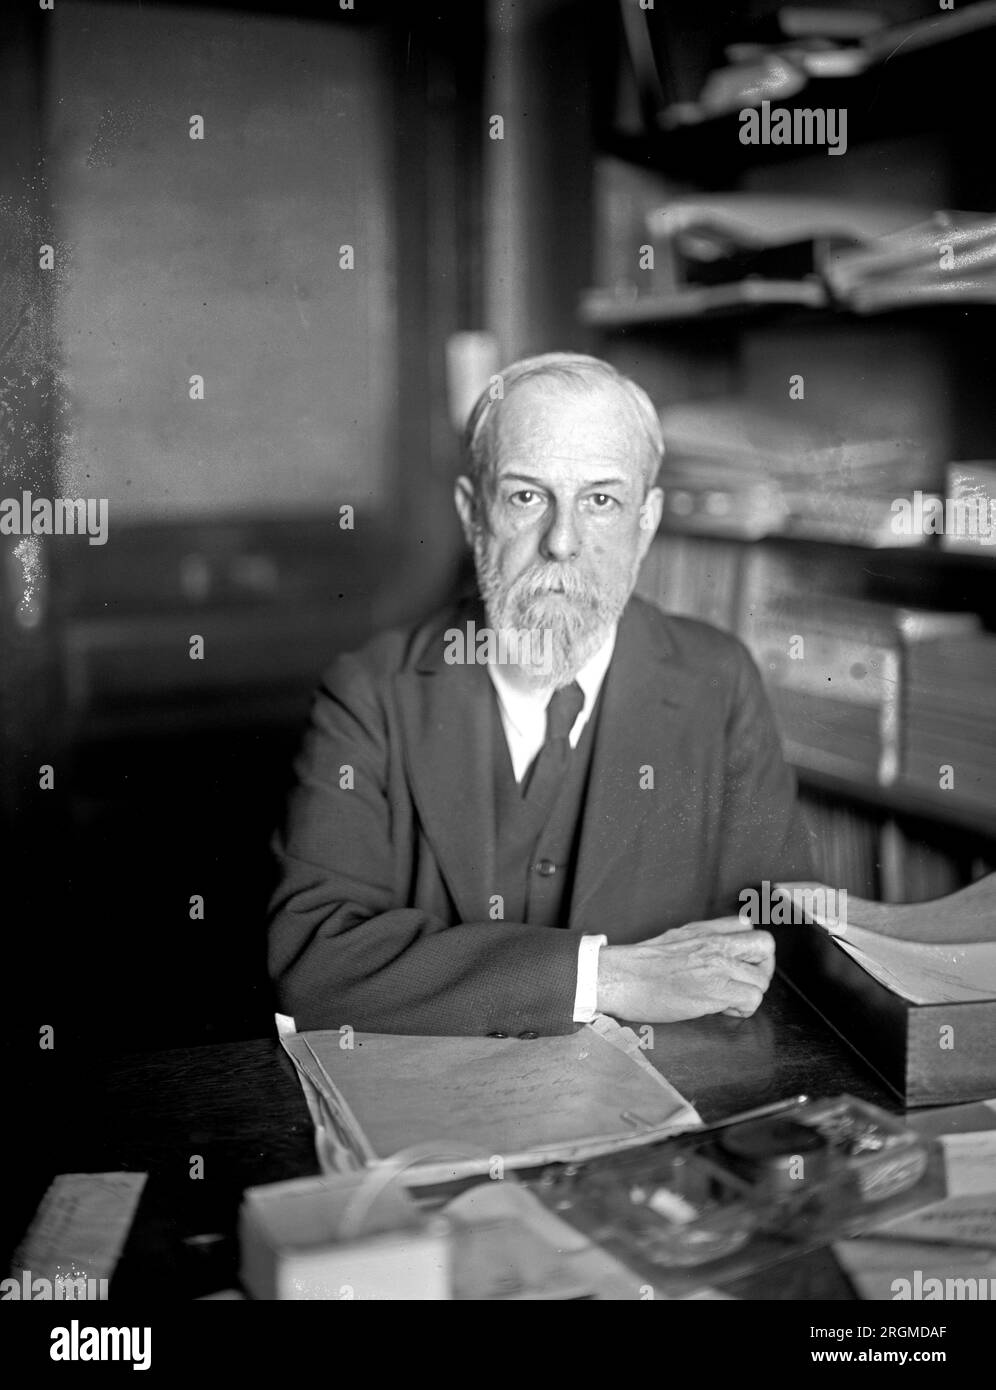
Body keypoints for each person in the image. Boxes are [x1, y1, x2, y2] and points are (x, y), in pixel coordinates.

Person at [267, 352, 813, 1036]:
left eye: (601, 500)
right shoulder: (371, 694)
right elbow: (315, 962)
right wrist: (607, 979)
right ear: (473, 515)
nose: (562, 541)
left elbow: (774, 941)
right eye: (527, 496)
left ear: (645, 524)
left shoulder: (719, 682)